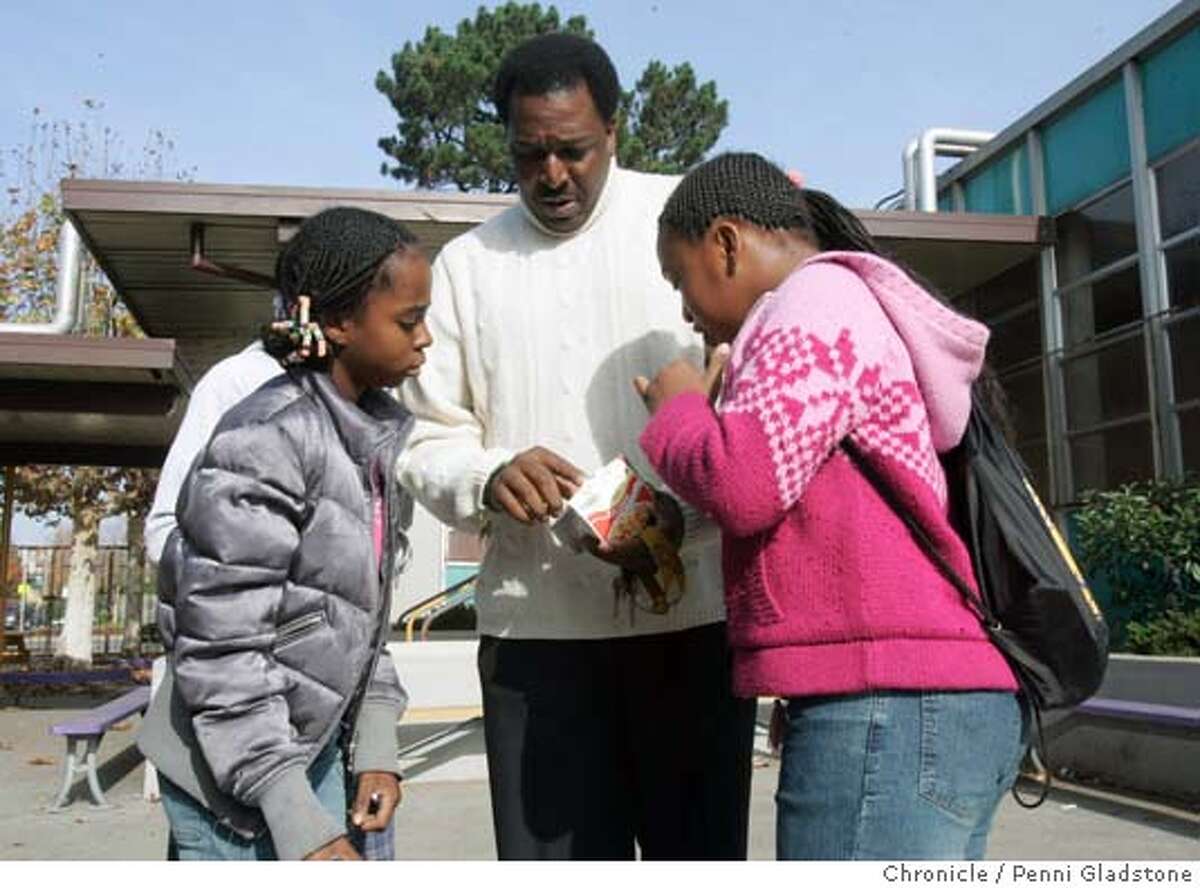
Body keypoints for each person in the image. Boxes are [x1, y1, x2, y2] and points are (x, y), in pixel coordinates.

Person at [397, 33, 755, 860]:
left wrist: (689, 509)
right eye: (530, 154)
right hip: (538, 638)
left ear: (615, 130)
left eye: (574, 150)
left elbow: (750, 385)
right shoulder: (466, 266)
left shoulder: (687, 224)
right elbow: (425, 435)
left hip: (693, 623)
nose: (553, 174)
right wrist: (489, 475)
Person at [636, 152, 1029, 860]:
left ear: (725, 244)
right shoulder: (844, 305)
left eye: (679, 279)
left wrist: (679, 409)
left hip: (889, 703)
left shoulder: (810, 303)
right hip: (917, 700)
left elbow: (744, 484)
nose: (685, 312)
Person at [138, 207, 429, 860]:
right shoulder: (267, 437)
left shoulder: (368, 443)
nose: (426, 339)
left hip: (305, 749)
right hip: (231, 783)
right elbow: (221, 649)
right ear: (339, 323)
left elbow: (356, 618)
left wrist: (377, 745)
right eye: (409, 321)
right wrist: (297, 817)